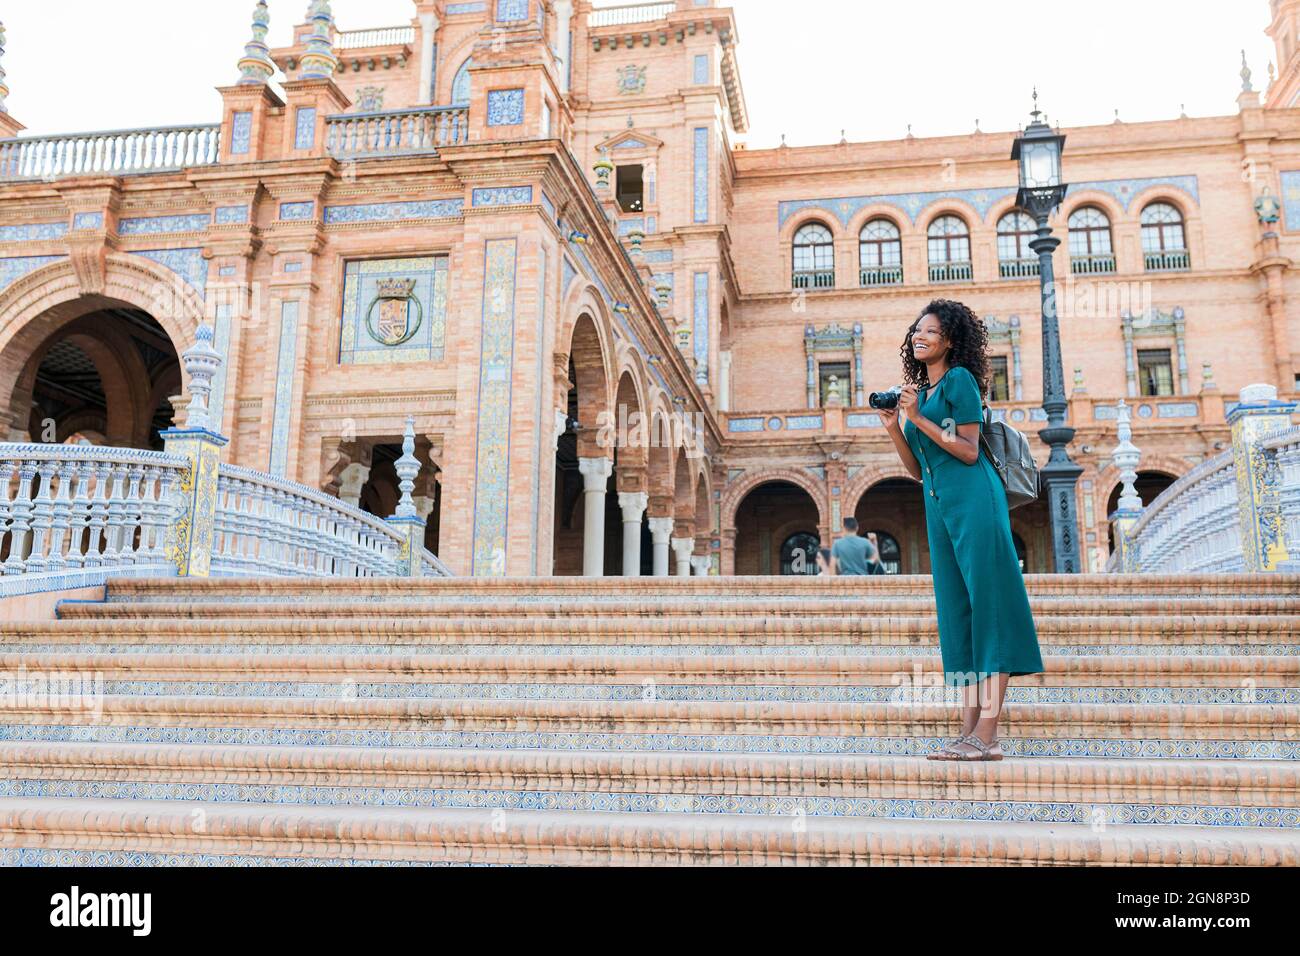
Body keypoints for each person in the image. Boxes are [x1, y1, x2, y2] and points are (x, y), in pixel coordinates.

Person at [878, 298, 1045, 761]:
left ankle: (987, 732)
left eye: (930, 331)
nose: (920, 336)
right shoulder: (922, 396)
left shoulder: (959, 382)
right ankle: (968, 730)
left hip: (975, 500)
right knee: (960, 617)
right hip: (940, 507)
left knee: (990, 611)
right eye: (916, 330)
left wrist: (918, 420)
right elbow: (917, 470)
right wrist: (897, 427)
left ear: (950, 340)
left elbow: (969, 451)